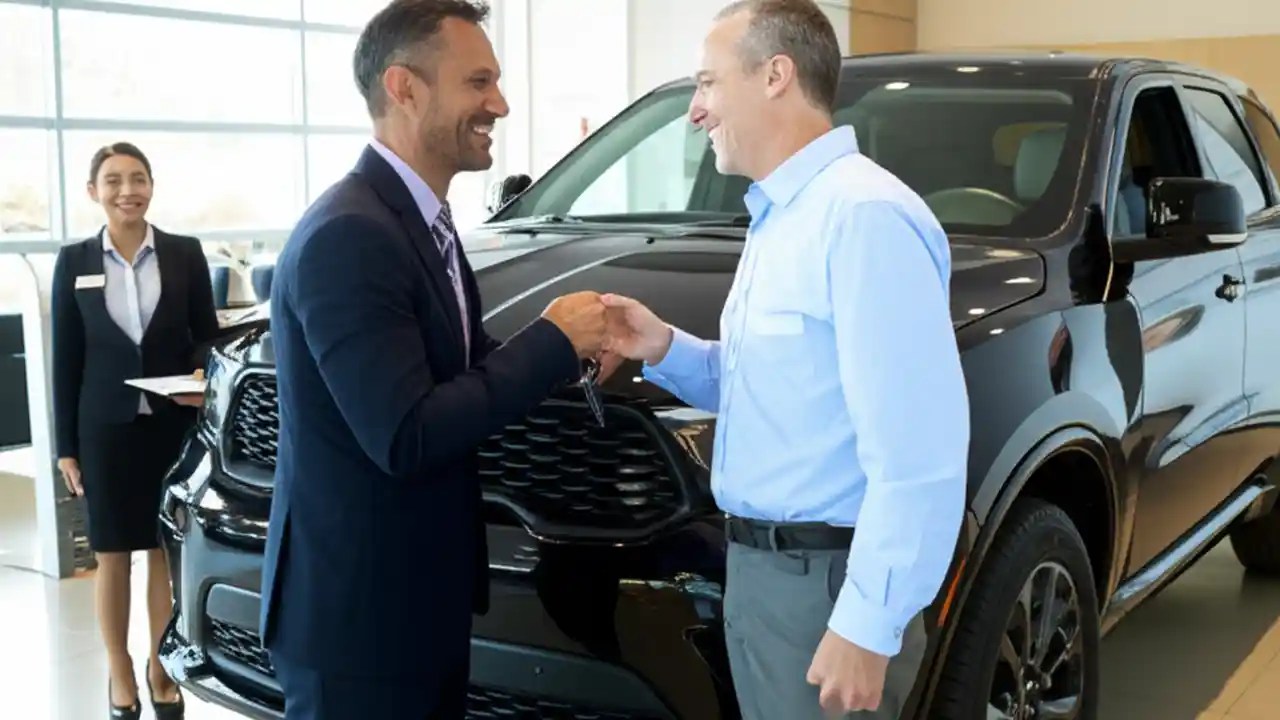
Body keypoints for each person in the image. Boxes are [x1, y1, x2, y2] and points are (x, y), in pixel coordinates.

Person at [599, 1, 970, 718]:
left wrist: (868, 622)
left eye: (707, 84)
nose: (695, 111)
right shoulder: (784, 217)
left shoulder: (863, 217)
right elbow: (785, 389)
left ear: (775, 75)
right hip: (769, 577)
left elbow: (919, 451)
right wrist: (666, 348)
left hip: (827, 585)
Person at [259, 1, 607, 717]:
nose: (500, 104)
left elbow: (464, 366)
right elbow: (406, 431)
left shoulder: (425, 224)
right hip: (358, 631)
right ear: (404, 88)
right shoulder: (350, 237)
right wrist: (551, 339)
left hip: (414, 610)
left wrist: (576, 354)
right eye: (478, 82)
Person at [51, 141, 219, 720]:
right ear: (94, 191)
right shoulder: (74, 262)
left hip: (172, 426)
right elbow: (65, 361)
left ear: (152, 185)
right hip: (104, 431)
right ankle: (119, 671)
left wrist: (202, 369)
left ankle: (158, 665)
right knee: (112, 554)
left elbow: (206, 336)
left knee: (164, 554)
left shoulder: (183, 253)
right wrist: (65, 448)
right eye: (115, 180)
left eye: (139, 178)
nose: (129, 190)